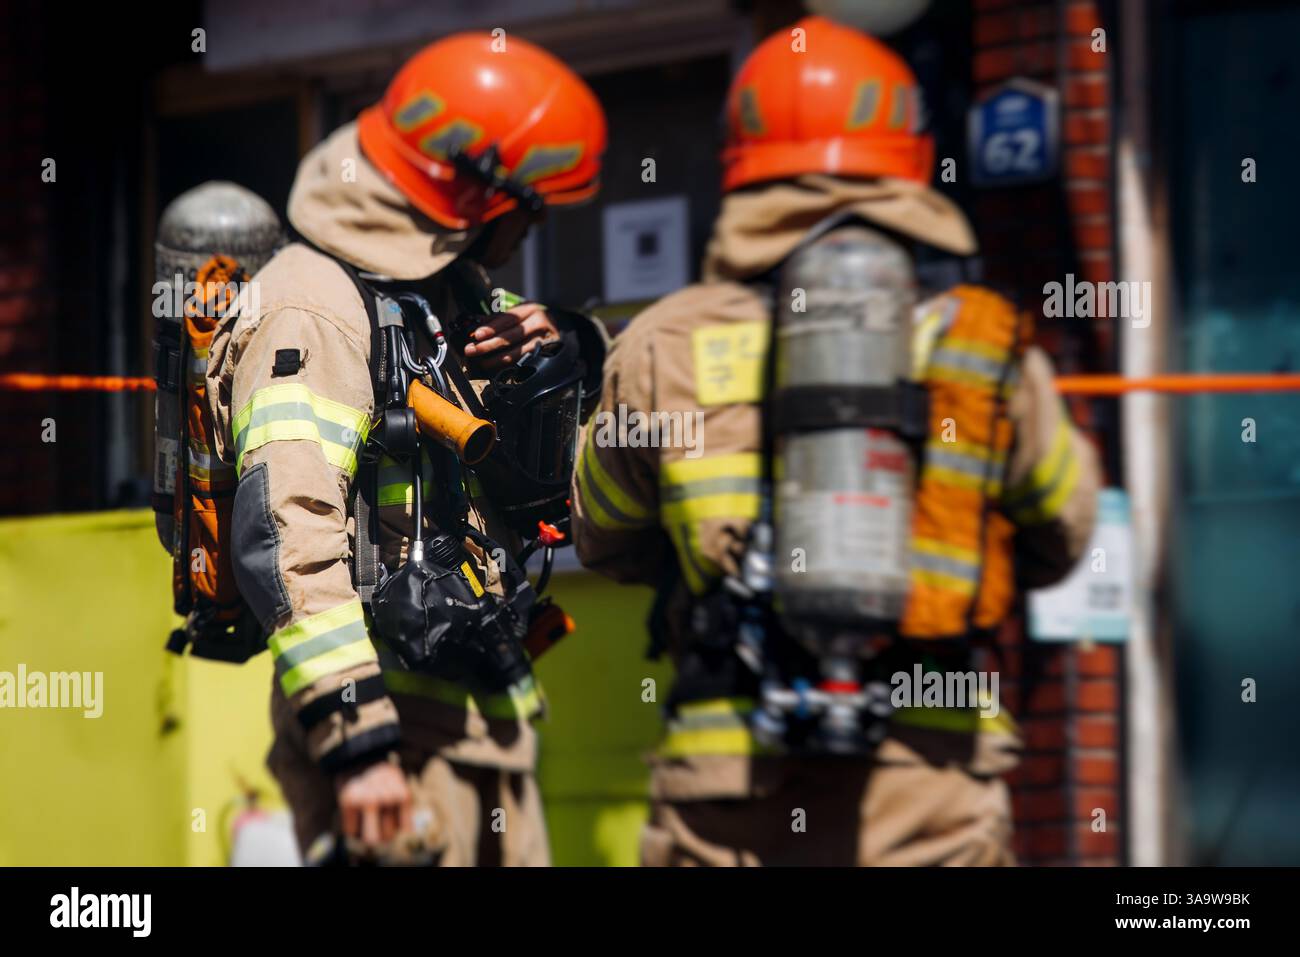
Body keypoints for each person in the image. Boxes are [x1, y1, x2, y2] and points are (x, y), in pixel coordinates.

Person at [569, 16, 1099, 866]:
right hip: (930, 779)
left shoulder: (665, 339)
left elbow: (603, 532)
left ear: (739, 161)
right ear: (910, 155)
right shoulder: (982, 338)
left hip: (733, 778)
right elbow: (1064, 530)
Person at [210, 31, 607, 865]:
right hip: (394, 748)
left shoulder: (440, 292)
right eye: (527, 210)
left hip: (479, 727)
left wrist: (570, 346)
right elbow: (286, 526)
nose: (530, 231)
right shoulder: (311, 304)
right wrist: (357, 741)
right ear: (480, 199)